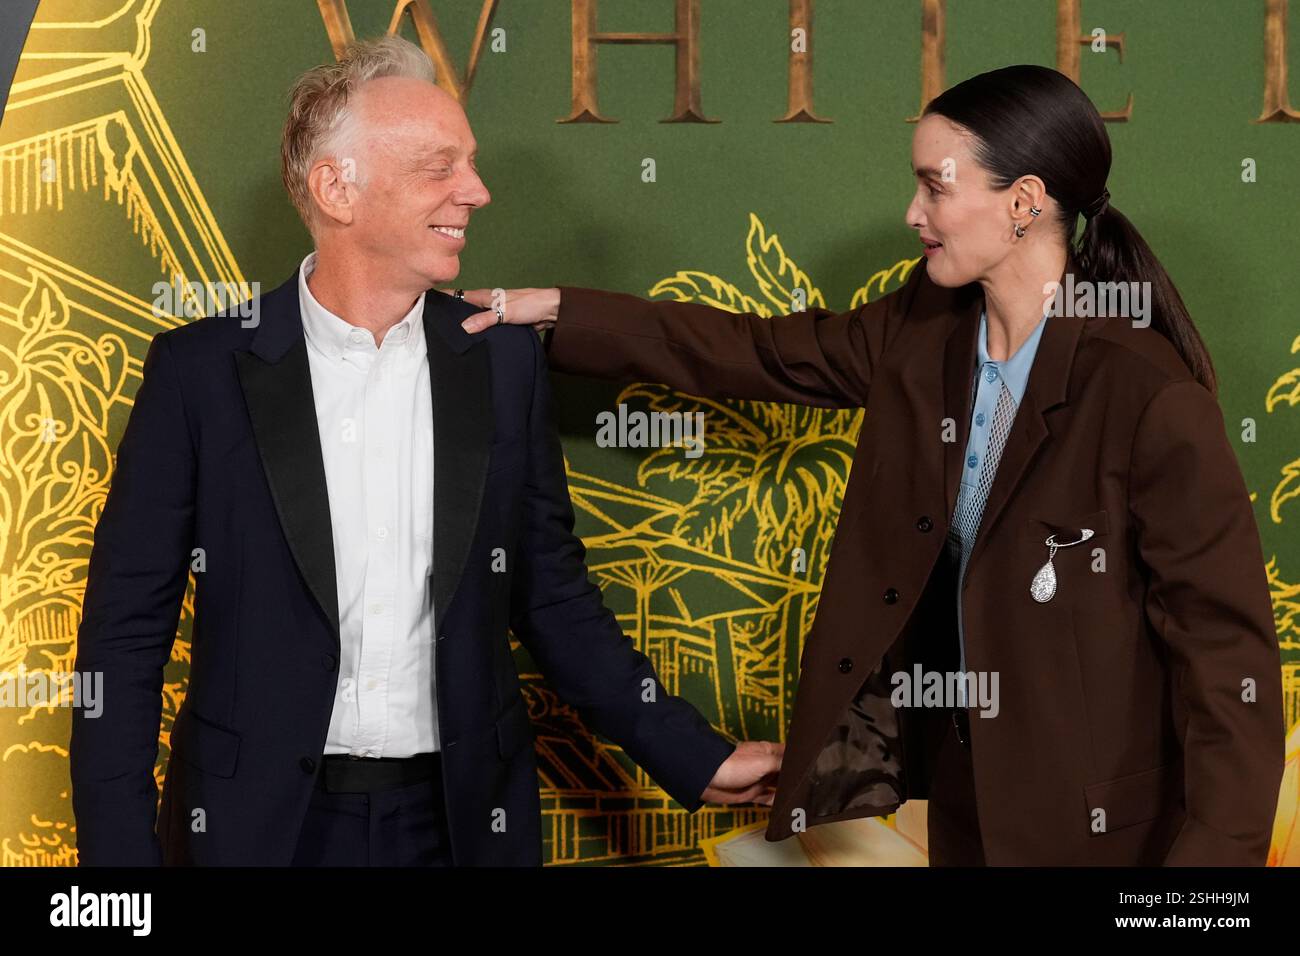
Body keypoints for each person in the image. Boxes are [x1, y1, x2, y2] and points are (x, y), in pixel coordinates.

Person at [461, 65, 1286, 865]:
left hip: (1106, 834)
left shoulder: (1146, 393)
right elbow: (760, 354)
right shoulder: (924, 328)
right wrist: (559, 311)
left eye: (937, 186)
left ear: (1025, 203)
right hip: (965, 808)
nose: (912, 212)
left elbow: (1229, 670)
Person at [69, 35, 781, 867]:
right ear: (338, 188)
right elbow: (123, 637)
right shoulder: (200, 370)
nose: (475, 191)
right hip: (251, 831)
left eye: (470, 164)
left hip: (460, 825)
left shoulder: (504, 362)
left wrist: (694, 754)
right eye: (439, 167)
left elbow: (551, 597)